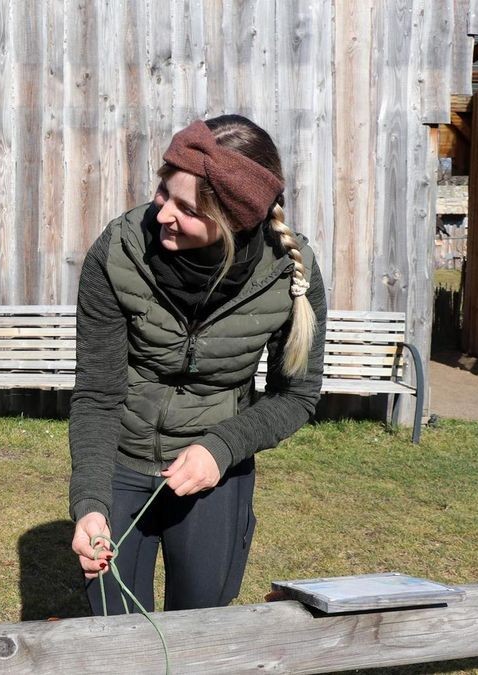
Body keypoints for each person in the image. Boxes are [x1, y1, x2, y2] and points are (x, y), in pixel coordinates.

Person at [68, 115, 326, 613]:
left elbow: (297, 395)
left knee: (202, 628)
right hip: (121, 463)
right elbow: (98, 394)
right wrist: (91, 504)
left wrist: (221, 448)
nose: (162, 214)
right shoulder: (117, 253)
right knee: (114, 632)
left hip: (215, 474)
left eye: (186, 208)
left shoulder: (289, 275)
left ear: (233, 221)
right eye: (164, 193)